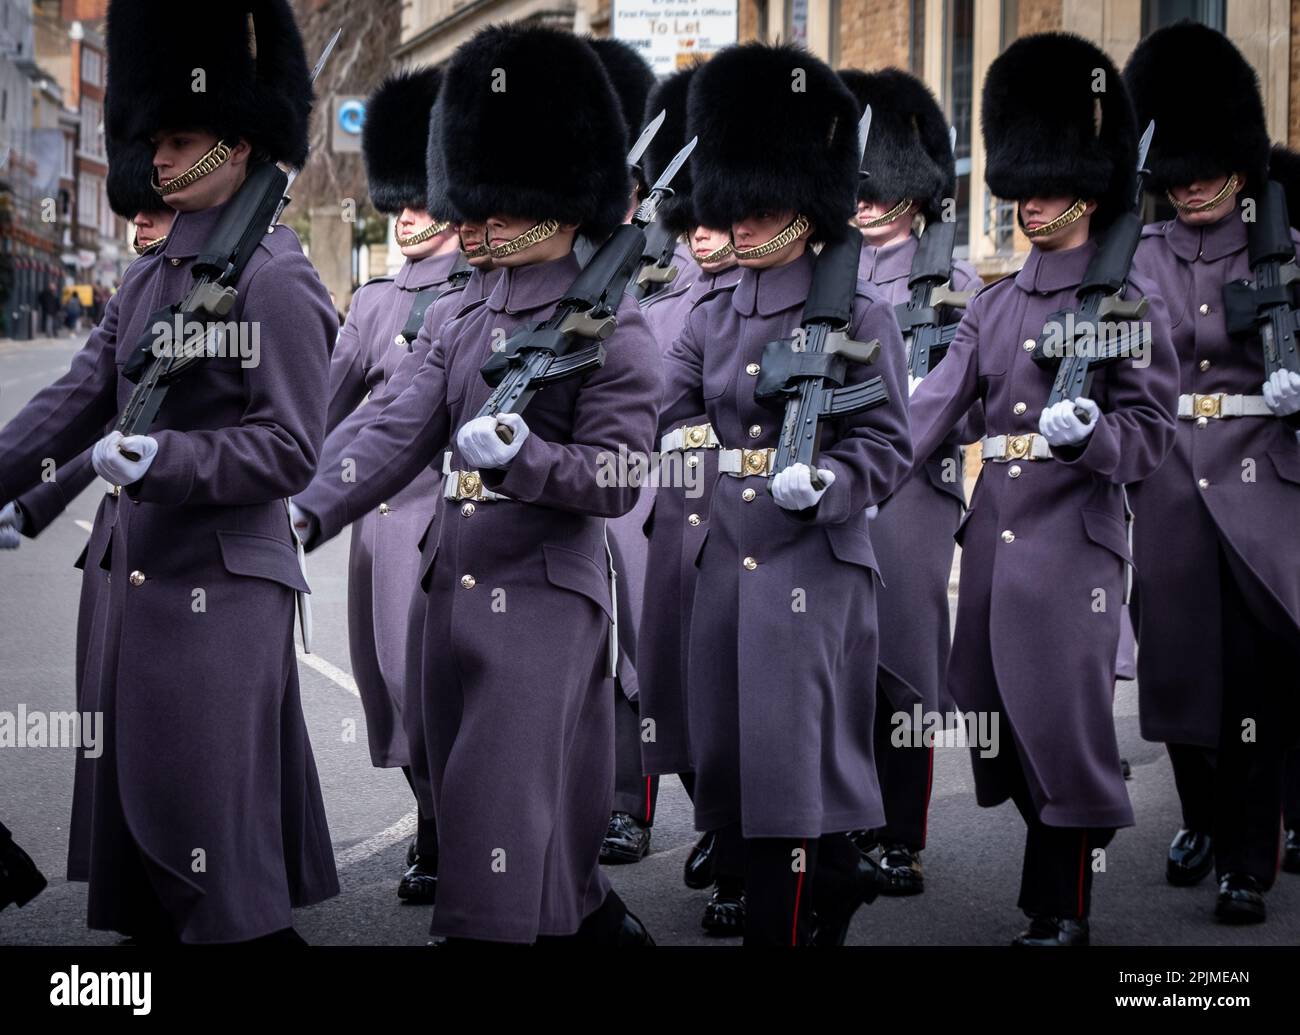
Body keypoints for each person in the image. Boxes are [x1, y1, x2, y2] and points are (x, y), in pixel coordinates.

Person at [293, 23, 658, 945]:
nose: (477, 223)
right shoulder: (461, 313)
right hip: (447, 596)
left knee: (495, 838)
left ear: (554, 198)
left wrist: (523, 459)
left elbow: (616, 477)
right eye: (478, 204)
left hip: (543, 602)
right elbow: (391, 429)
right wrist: (307, 508)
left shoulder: (613, 329)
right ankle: (592, 922)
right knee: (480, 824)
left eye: (497, 206)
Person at [0, 0, 338, 943]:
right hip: (130, 588)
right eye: (152, 137)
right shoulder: (154, 274)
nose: (155, 157)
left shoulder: (277, 278)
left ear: (234, 144)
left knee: (214, 852)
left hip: (219, 594)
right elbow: (74, 400)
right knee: (145, 856)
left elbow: (290, 446)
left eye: (178, 138)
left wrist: (170, 459)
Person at [907, 32, 1179, 946]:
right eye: (1022, 188)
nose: (1032, 204)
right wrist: (853, 468)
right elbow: (932, 411)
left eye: (1051, 188)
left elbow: (1150, 438)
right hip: (993, 544)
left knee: (1060, 728)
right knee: (989, 722)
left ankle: (1059, 908)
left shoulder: (1127, 301)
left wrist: (1095, 434)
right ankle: (1066, 841)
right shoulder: (994, 304)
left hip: (1075, 548)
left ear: (1090, 189)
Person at [659, 42, 912, 946]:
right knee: (729, 755)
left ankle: (799, 910)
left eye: (765, 207)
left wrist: (832, 478)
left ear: (804, 211)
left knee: (790, 765)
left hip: (815, 564)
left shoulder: (860, 316)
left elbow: (889, 442)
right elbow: (670, 419)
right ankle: (826, 878)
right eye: (741, 206)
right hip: (727, 556)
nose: (746, 224)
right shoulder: (711, 315)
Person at [1124, 22, 1300, 923]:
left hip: (1260, 480)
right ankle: (1198, 816)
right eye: (1178, 172)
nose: (1191, 187)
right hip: (1165, 490)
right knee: (1180, 672)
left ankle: (1246, 858)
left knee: (1256, 684)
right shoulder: (1140, 257)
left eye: (1207, 170)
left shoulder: (1283, 248)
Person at [290, 66, 462, 906]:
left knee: (436, 693)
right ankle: (432, 820)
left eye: (424, 199)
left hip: (451, 519)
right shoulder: (373, 302)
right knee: (391, 690)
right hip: (381, 528)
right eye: (399, 200)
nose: (406, 215)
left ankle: (445, 835)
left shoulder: (481, 291)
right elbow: (318, 412)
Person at [837, 66, 983, 896]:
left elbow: (969, 401)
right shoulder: (833, 276)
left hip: (915, 493)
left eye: (877, 188)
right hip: (834, 484)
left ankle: (900, 831)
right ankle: (843, 817)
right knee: (836, 657)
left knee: (902, 662)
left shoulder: (952, 286)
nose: (862, 202)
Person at [630, 62, 747, 935]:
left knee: (742, 695)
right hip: (673, 510)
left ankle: (745, 841)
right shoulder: (659, 294)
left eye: (720, 218)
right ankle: (716, 814)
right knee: (673, 684)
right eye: (693, 219)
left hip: (747, 516)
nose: (704, 235)